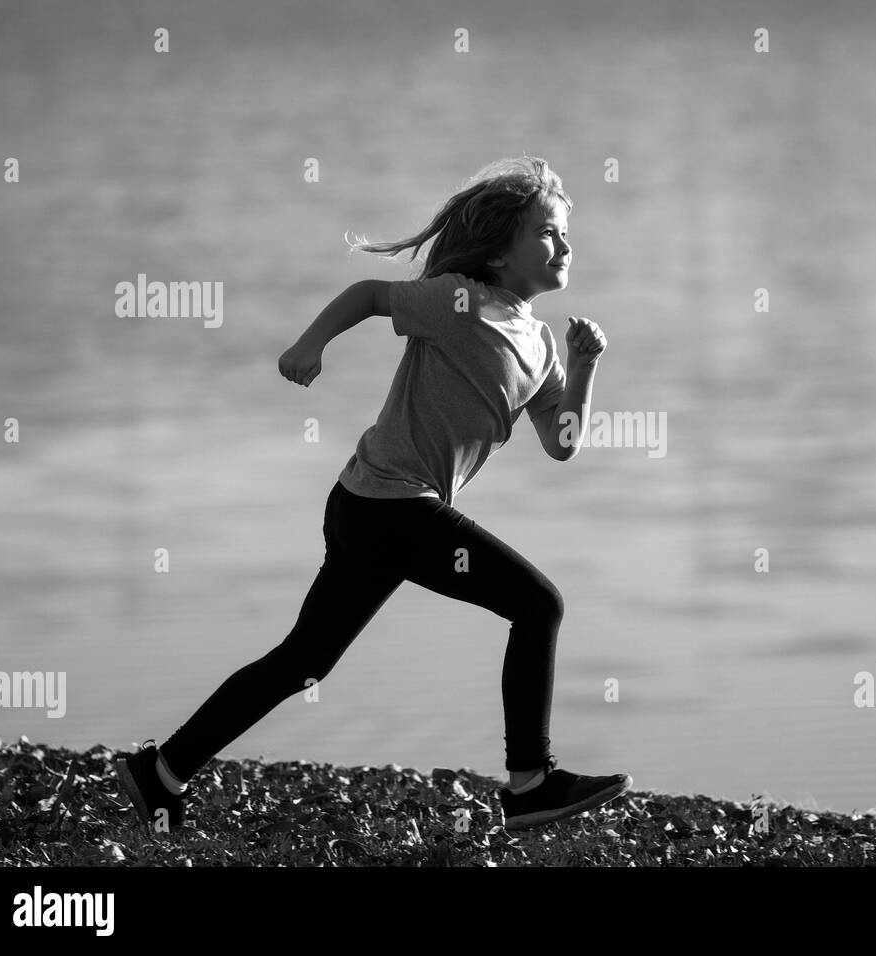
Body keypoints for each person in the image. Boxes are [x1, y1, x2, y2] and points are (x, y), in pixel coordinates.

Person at [116, 155, 631, 834]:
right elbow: (367, 294)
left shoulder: (539, 344)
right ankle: (530, 782)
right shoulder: (457, 301)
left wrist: (586, 368)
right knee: (538, 605)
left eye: (566, 235)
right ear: (502, 254)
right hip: (391, 505)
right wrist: (310, 345)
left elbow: (562, 441)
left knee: (303, 661)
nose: (564, 246)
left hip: (373, 510)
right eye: (547, 232)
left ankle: (162, 772)